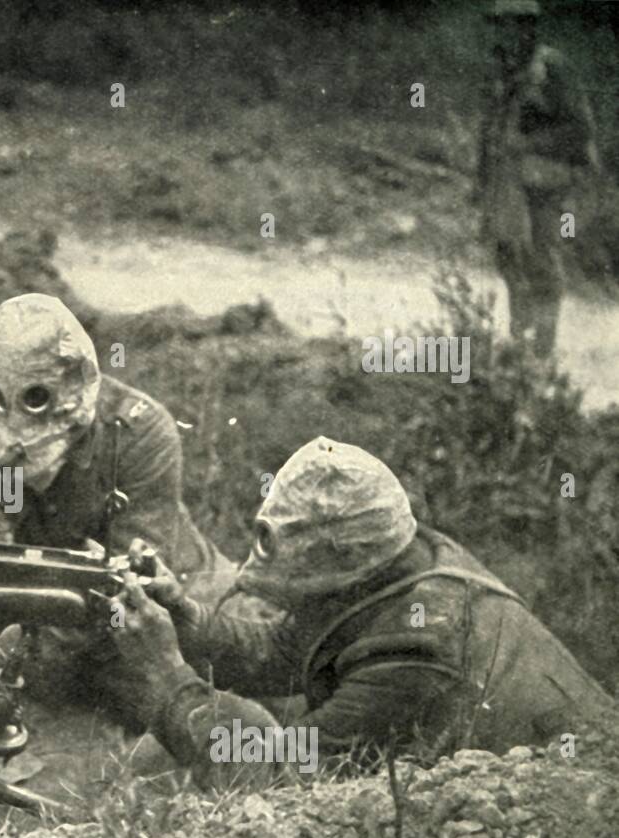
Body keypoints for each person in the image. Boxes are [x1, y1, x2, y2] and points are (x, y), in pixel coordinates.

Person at [110, 436, 616, 788]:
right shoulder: (398, 559)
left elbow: (271, 774)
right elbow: (283, 649)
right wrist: (183, 617)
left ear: (340, 564)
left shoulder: (417, 648)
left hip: (568, 802)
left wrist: (167, 672)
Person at [0, 292, 241, 716]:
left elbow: (129, 587)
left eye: (37, 399)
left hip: (168, 610)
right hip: (56, 602)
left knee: (179, 724)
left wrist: (11, 656)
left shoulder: (139, 434)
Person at [476, 0, 601, 359]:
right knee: (508, 256)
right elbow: (490, 128)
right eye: (498, 24)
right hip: (509, 181)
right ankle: (521, 342)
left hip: (549, 182)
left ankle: (541, 352)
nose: (503, 31)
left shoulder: (551, 68)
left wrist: (528, 142)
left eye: (511, 24)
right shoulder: (500, 68)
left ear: (528, 26)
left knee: (542, 260)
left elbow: (580, 130)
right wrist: (482, 179)